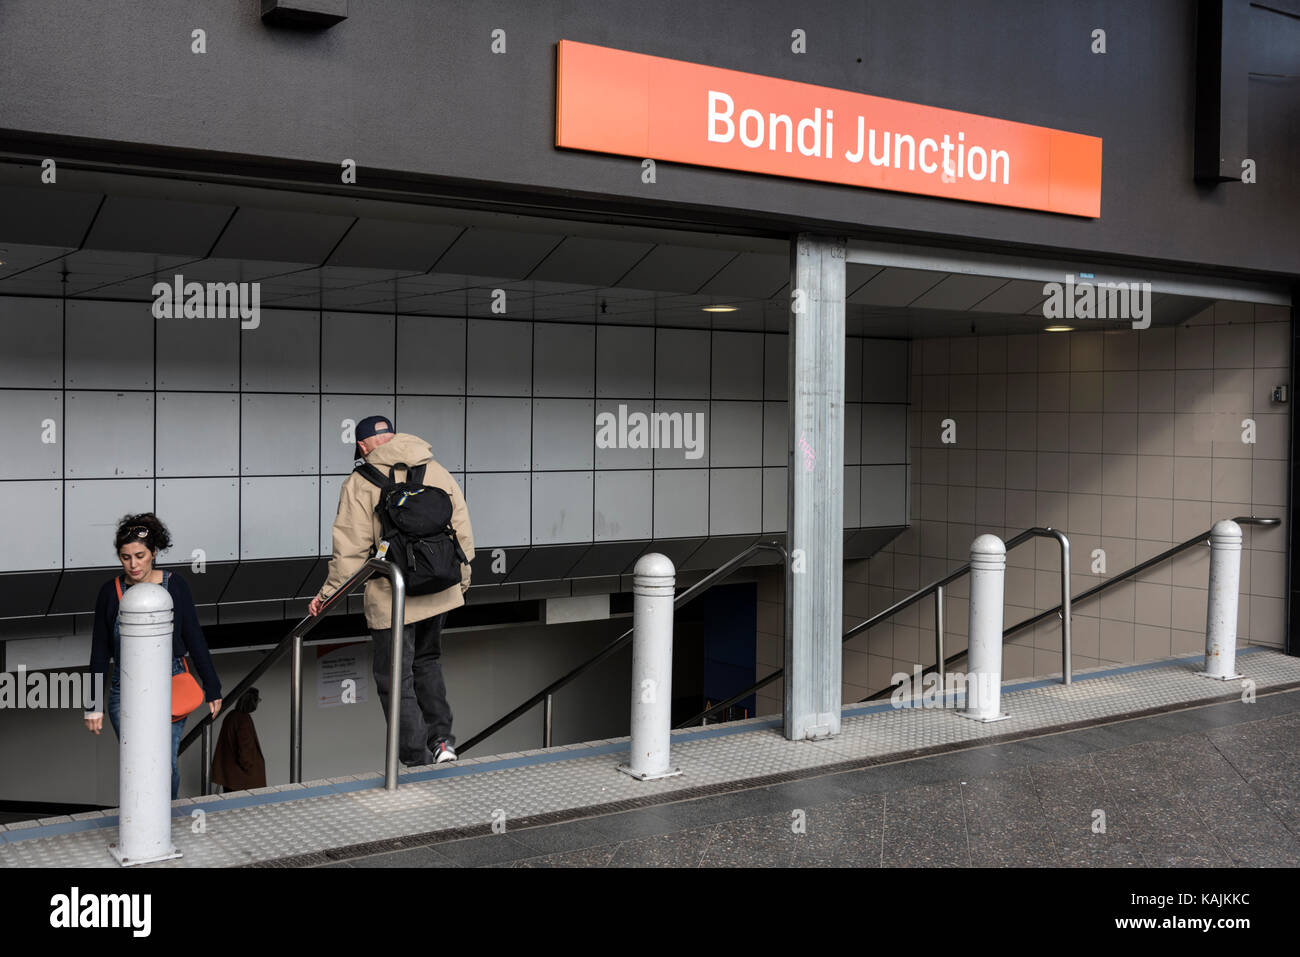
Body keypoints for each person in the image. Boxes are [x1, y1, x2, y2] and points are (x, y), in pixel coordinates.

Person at [309, 415, 474, 766]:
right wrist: (463, 576)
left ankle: (414, 757)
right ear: (395, 437)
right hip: (440, 586)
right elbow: (460, 526)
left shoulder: (359, 481)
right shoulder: (436, 469)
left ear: (363, 445)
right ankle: (442, 742)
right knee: (428, 662)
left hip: (393, 593)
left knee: (394, 676)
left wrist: (327, 596)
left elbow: (351, 549)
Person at [84, 513, 223, 800]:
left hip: (170, 683)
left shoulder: (176, 585)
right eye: (125, 557)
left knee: (164, 764)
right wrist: (92, 704)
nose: (133, 565)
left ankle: (163, 825)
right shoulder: (110, 592)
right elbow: (99, 650)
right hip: (124, 687)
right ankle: (137, 829)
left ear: (154, 553)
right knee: (137, 762)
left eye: (139, 555)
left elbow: (194, 638)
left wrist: (212, 687)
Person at [211, 688, 266, 792]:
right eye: (257, 700)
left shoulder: (231, 716)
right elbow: (245, 749)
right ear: (252, 701)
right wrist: (249, 766)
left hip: (229, 777)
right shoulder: (243, 719)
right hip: (242, 780)